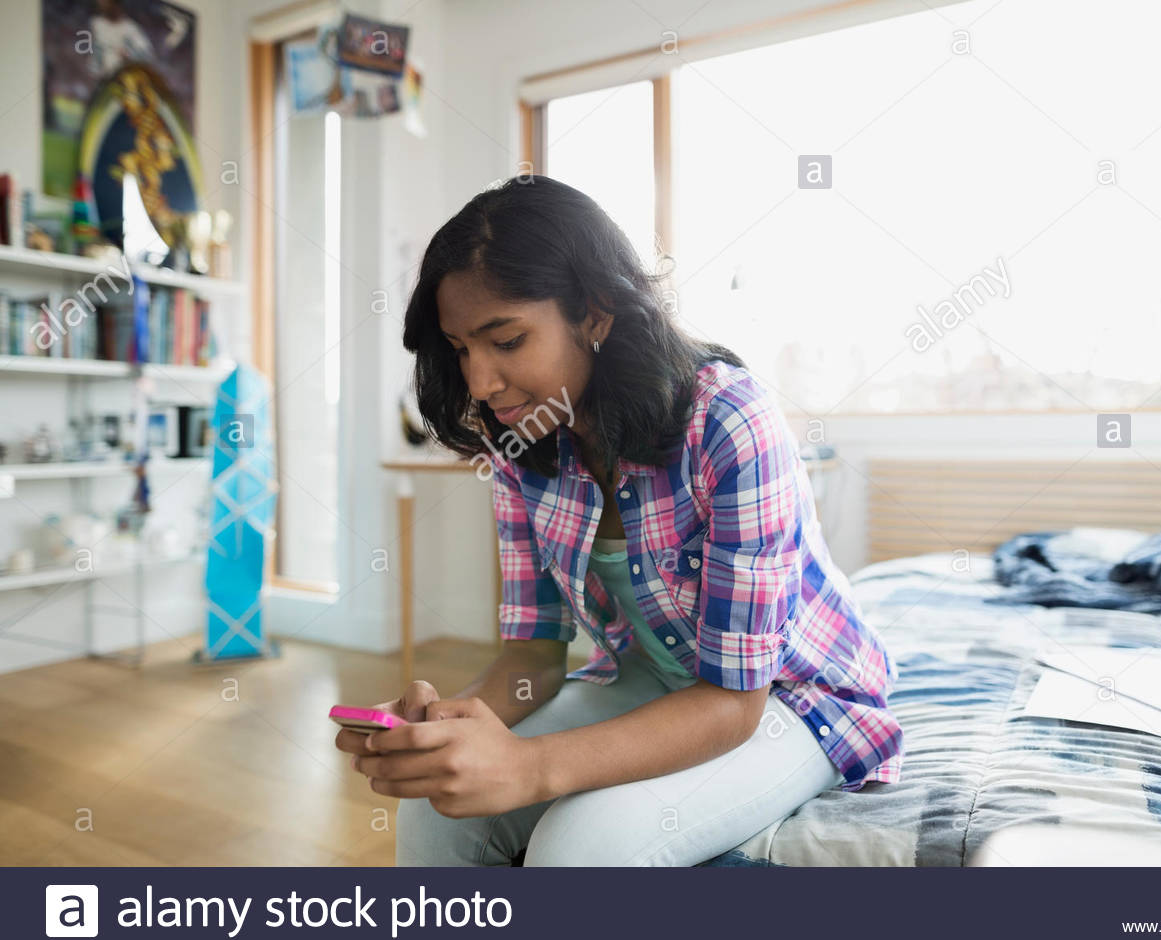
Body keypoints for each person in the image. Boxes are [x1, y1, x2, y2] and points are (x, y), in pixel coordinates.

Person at [334, 174, 903, 866]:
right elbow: (532, 655)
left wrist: (531, 766)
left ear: (597, 313)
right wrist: (449, 726)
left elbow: (733, 703)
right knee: (435, 812)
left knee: (582, 850)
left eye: (506, 340)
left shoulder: (729, 423)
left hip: (788, 700)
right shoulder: (520, 445)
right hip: (650, 679)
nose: (480, 382)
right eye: (461, 349)